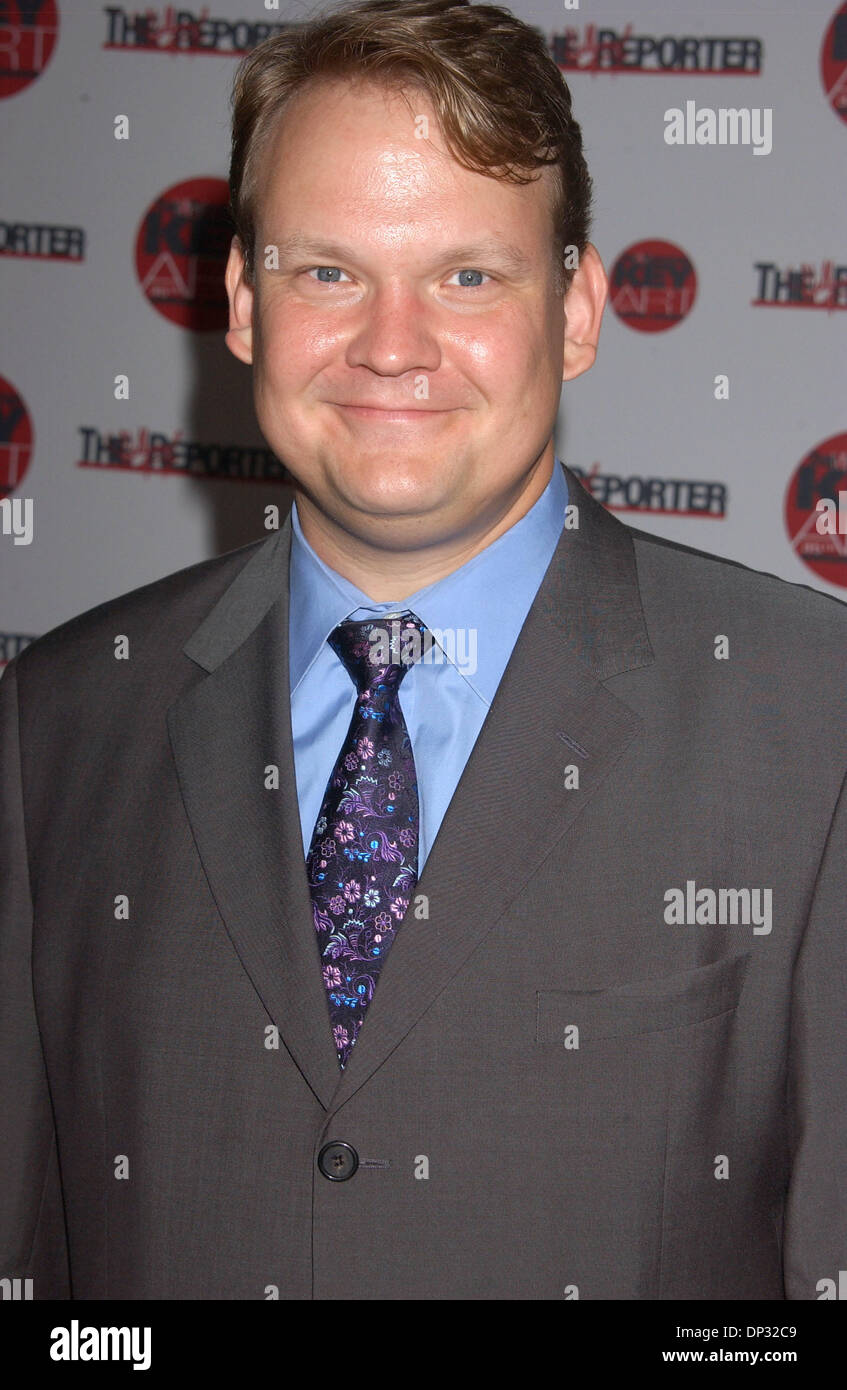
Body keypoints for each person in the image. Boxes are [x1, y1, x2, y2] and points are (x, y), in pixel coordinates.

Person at [1, 0, 845, 1301]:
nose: (391, 346)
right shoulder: (56, 724)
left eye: (467, 275)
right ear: (240, 300)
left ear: (576, 311)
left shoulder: (811, 722)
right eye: (327, 270)